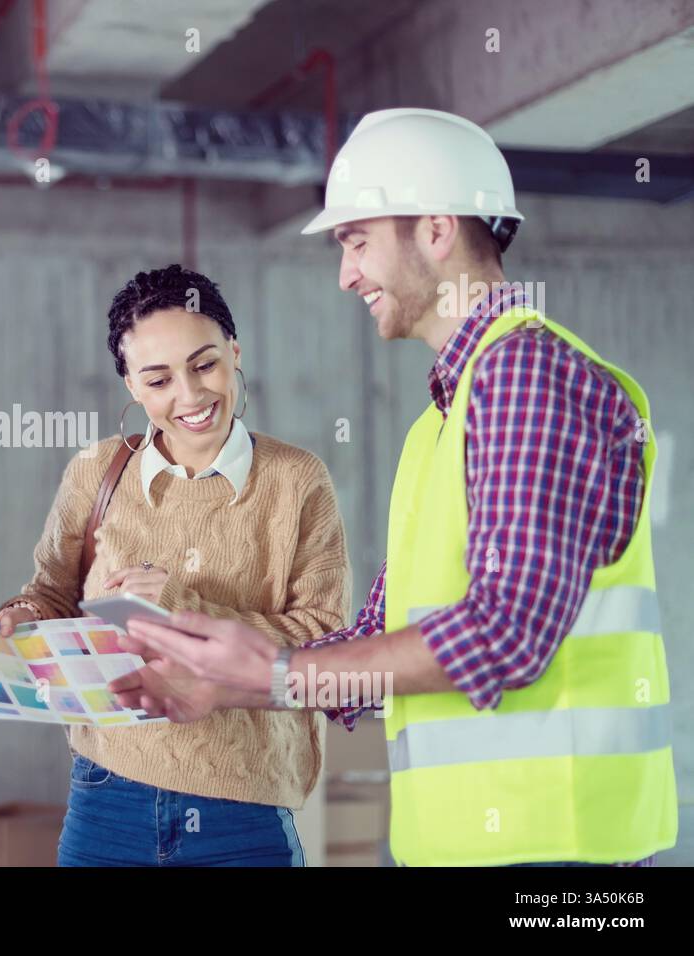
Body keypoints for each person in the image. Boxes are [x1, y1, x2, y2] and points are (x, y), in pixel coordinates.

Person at [115, 109, 677, 867]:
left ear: (436, 231)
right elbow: (382, 651)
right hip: (469, 847)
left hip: (555, 853)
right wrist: (223, 678)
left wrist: (276, 672)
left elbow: (505, 632)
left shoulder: (528, 380)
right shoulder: (443, 420)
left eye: (356, 240)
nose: (346, 273)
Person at [0, 264, 351, 867]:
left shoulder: (297, 480)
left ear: (235, 352)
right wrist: (23, 613)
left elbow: (325, 640)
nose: (189, 396)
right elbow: (51, 591)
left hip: (245, 802)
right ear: (130, 386)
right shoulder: (97, 470)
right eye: (158, 379)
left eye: (205, 364)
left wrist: (183, 607)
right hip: (108, 793)